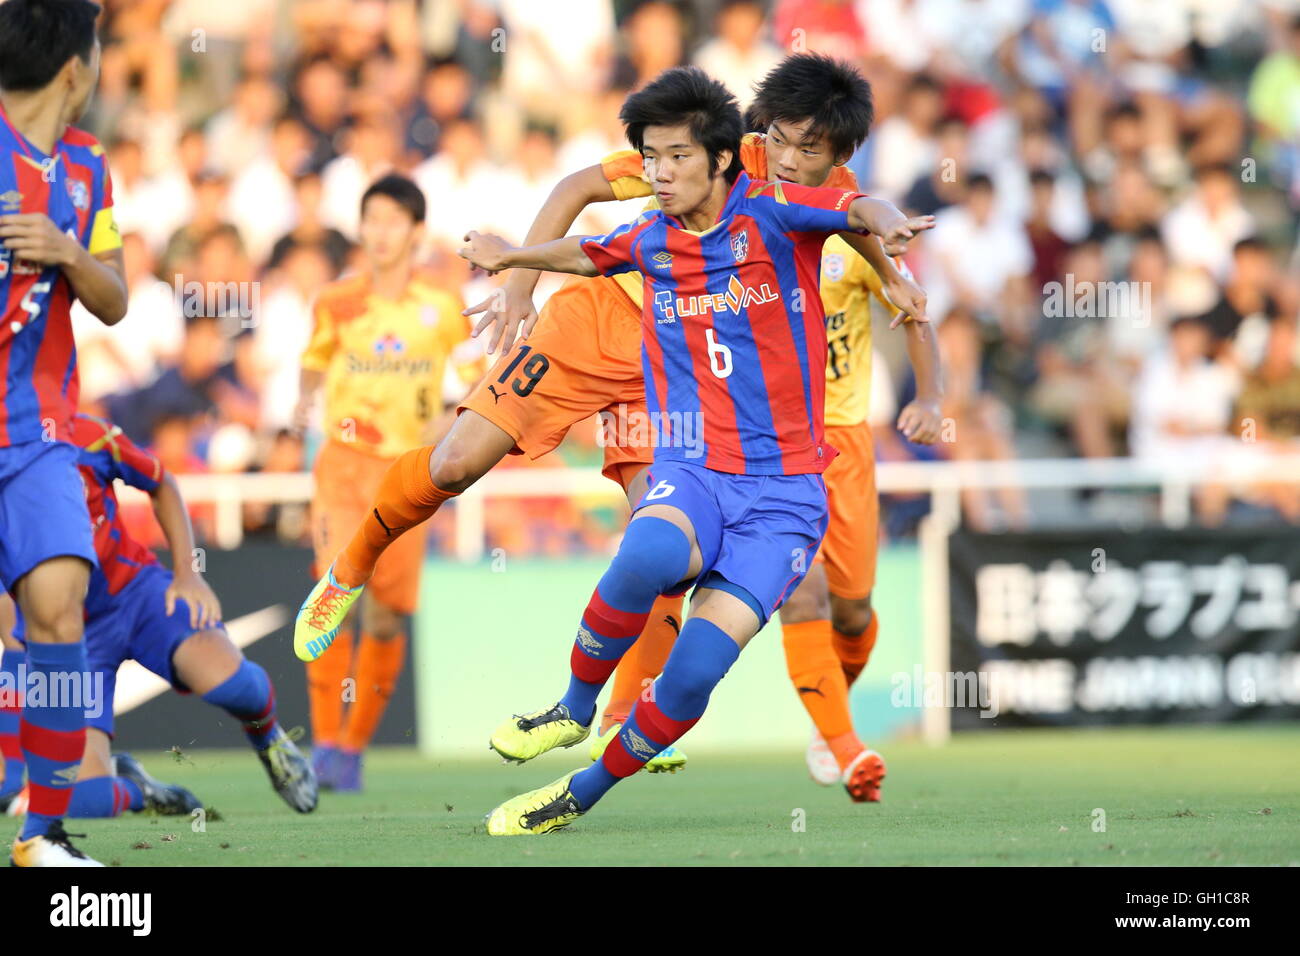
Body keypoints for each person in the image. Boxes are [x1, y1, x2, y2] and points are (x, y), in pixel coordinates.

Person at [292, 55, 930, 781]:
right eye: (778, 139)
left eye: (807, 149)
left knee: (661, 544)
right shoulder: (708, 148)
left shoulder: (825, 188)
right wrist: (518, 285)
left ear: (839, 154)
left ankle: (622, 711)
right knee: (454, 463)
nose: (786, 159)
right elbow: (579, 186)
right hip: (594, 320)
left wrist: (897, 279)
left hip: (679, 368)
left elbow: (856, 223)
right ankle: (353, 564)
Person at [458, 66, 931, 835]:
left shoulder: (779, 212)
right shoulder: (651, 237)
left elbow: (853, 206)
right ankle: (572, 708)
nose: (659, 172)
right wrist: (515, 258)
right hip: (699, 468)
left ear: (719, 159)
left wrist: (890, 223)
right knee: (645, 554)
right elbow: (588, 251)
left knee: (692, 680)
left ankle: (579, 793)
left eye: (675, 156)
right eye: (650, 157)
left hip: (786, 498)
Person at [1, 413, 317, 820]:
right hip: (70, 641)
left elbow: (161, 482)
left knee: (235, 689)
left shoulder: (88, 435)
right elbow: (12, 634)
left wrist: (187, 573)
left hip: (136, 595)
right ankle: (137, 787)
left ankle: (268, 738)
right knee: (81, 802)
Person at [293, 174, 478, 791]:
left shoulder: (443, 305)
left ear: (416, 232)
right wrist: (302, 413)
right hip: (343, 463)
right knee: (334, 592)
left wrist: (451, 421)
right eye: (371, 218)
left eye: (393, 220)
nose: (379, 231)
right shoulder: (335, 300)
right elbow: (313, 369)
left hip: (408, 473)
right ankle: (321, 744)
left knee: (385, 617)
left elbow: (479, 377)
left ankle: (352, 749)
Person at [0, 0, 129, 867]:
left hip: (39, 429)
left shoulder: (87, 168)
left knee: (58, 607)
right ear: (77, 66)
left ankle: (41, 834)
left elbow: (115, 297)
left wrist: (65, 250)